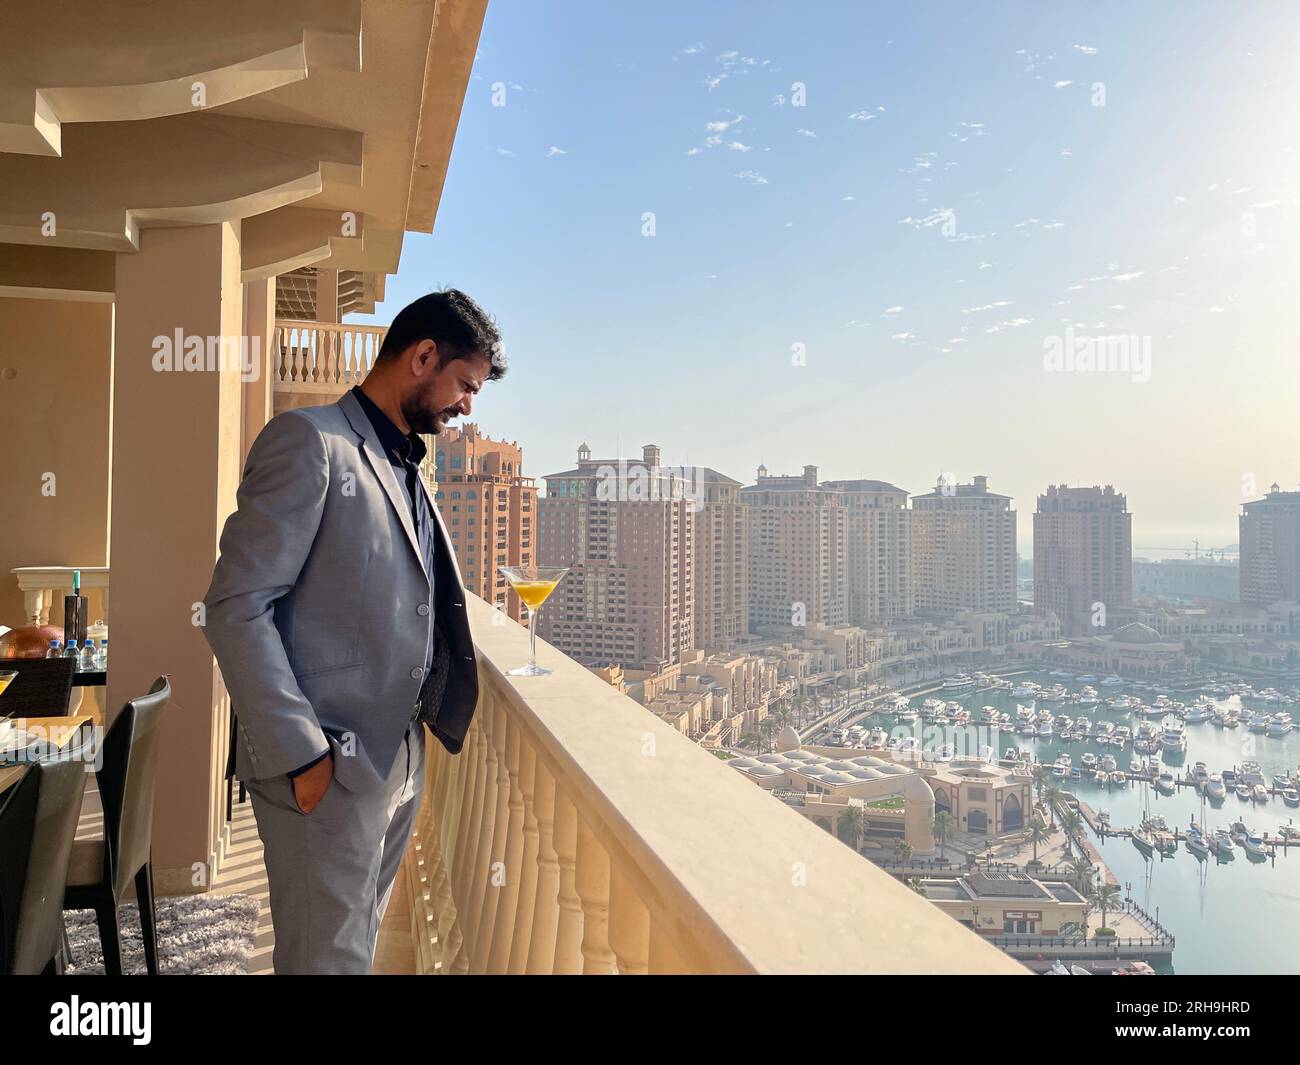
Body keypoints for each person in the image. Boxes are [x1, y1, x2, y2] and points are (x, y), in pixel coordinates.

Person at [203, 289, 505, 973]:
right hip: (326, 771)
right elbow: (235, 604)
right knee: (325, 961)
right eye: (465, 385)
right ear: (422, 357)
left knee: (352, 949)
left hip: (396, 761)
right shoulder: (310, 442)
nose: (467, 407)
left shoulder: (404, 461)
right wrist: (304, 757)